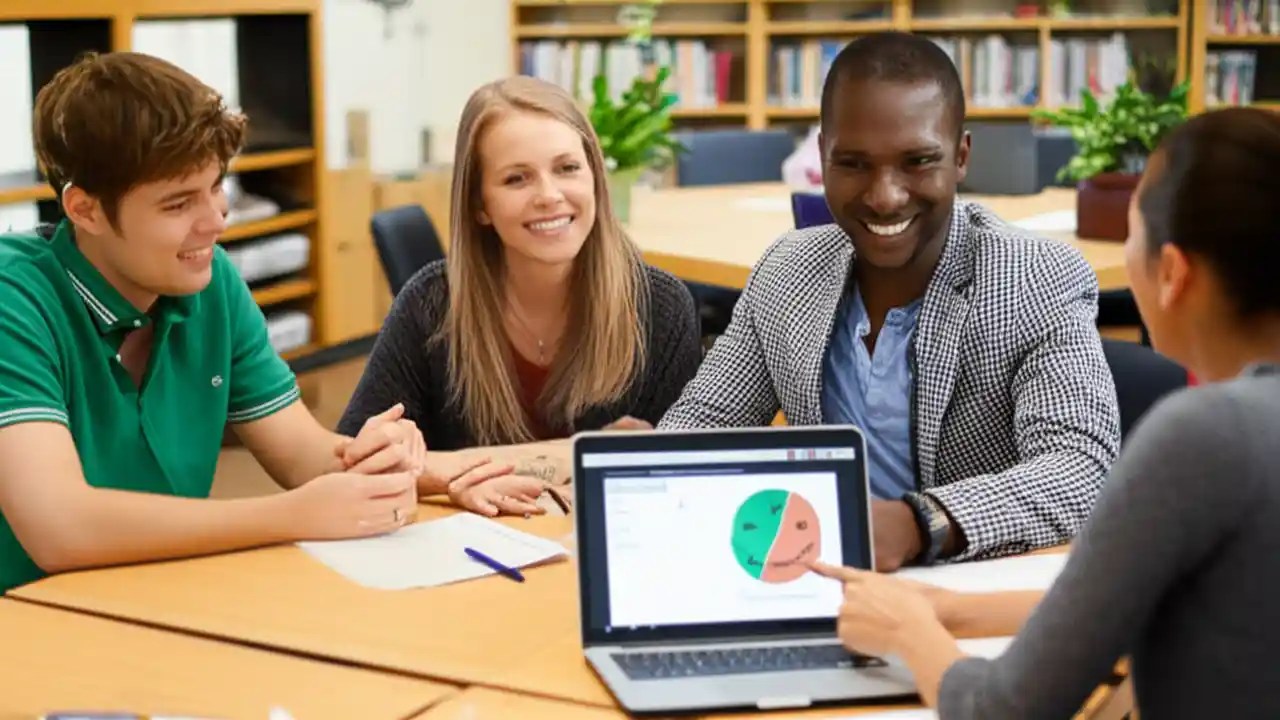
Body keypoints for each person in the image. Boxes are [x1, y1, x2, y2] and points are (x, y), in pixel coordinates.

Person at [813, 106, 1280, 718]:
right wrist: (949, 609)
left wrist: (907, 632)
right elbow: (1121, 596)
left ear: (1170, 274)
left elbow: (1001, 710)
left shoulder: (1203, 435)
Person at [659, 32, 1120, 570]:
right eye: (853, 164)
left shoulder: (1035, 276)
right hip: (822, 585)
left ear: (962, 156)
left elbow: (1082, 470)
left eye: (918, 161)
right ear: (821, 157)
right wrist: (640, 463)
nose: (884, 195)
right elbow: (708, 421)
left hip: (971, 606)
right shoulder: (787, 270)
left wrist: (919, 523)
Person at [0, 52, 443, 594]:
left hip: (152, 603)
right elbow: (58, 528)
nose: (216, 221)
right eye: (178, 204)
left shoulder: (211, 286)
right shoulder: (12, 298)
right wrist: (290, 515)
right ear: (85, 210)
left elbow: (305, 459)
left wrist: (373, 460)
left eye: (217, 188)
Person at [338, 76, 703, 517]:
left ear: (595, 179)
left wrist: (440, 466)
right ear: (480, 206)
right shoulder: (431, 305)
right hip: (468, 555)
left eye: (567, 168)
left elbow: (680, 473)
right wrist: (582, 456)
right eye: (517, 179)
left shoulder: (659, 307)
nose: (549, 196)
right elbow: (356, 464)